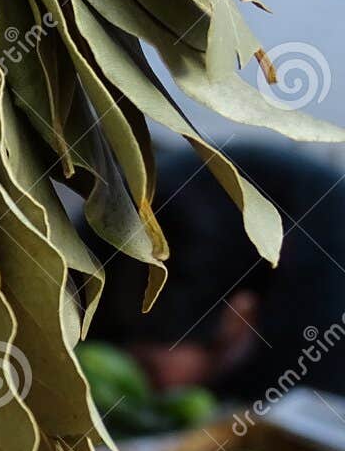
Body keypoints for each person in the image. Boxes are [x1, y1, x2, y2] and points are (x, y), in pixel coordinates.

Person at [88, 143, 345, 402]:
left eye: (149, 370)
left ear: (239, 320)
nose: (136, 380)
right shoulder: (106, 242)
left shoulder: (311, 349)